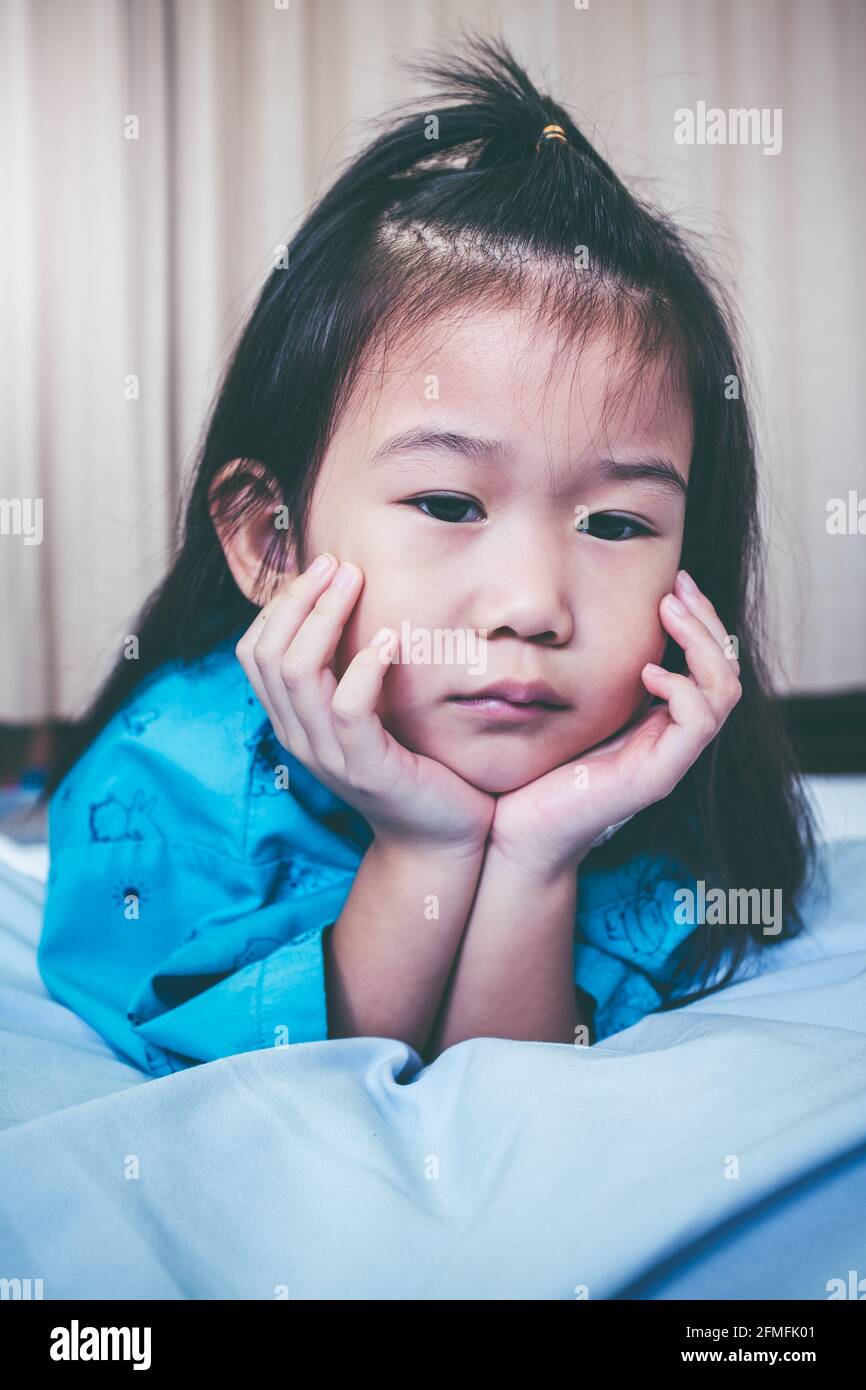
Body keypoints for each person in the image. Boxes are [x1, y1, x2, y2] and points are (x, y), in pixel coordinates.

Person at [37, 35, 815, 1077]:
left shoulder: (672, 798)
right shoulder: (155, 796)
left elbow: (497, 1094)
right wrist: (425, 846)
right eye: (448, 501)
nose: (532, 605)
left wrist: (536, 851)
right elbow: (295, 1100)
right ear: (272, 539)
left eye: (616, 524)